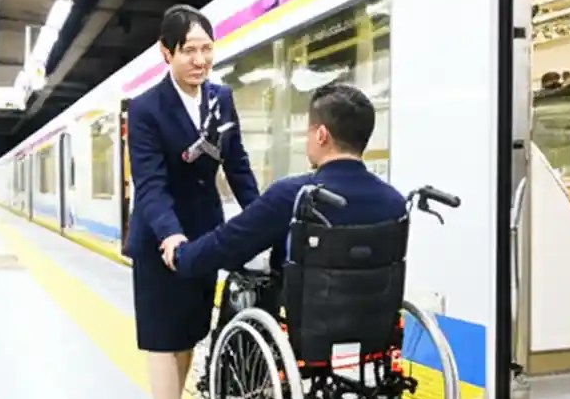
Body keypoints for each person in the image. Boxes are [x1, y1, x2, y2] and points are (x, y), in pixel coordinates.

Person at [124, 4, 260, 399]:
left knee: (191, 333)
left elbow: (237, 165)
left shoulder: (221, 99)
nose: (201, 60)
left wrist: (261, 217)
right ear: (167, 52)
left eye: (207, 49)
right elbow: (150, 183)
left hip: (205, 236)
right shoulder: (144, 109)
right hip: (161, 239)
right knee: (164, 338)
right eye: (190, 51)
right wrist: (171, 235)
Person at [165, 82, 404, 282]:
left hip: (308, 328)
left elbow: (227, 244)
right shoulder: (394, 203)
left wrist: (181, 256)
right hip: (375, 326)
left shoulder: (295, 196)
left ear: (321, 135)